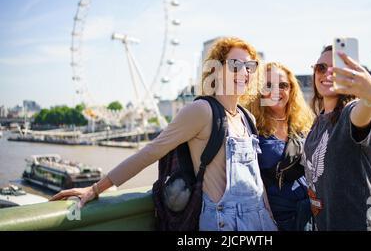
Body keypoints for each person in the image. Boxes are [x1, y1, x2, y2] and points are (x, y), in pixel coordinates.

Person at [50, 37, 278, 231]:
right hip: (225, 222)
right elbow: (150, 152)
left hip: (260, 219)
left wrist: (269, 217)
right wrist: (94, 188)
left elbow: (255, 179)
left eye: (250, 66)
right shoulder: (201, 111)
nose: (244, 72)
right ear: (216, 70)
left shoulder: (246, 116)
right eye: (235, 64)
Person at [303, 45, 371, 231]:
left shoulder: (349, 113)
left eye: (335, 69)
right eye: (321, 68)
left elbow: (368, 105)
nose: (327, 73)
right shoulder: (317, 123)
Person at [245, 62, 315, 231]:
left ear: (291, 90)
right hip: (275, 218)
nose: (276, 91)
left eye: (283, 85)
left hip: (309, 215)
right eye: (268, 85)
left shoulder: (303, 125)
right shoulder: (251, 127)